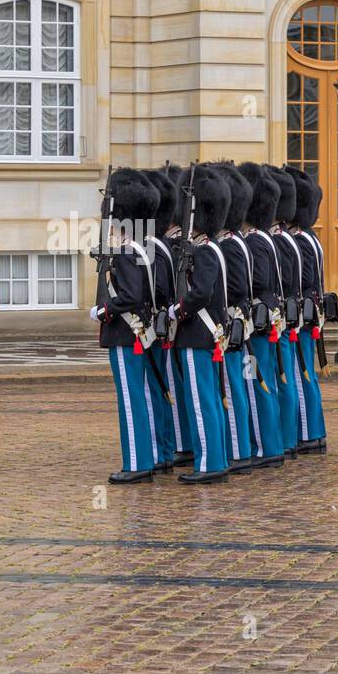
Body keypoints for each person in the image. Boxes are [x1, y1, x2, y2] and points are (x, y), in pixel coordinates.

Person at [91, 168, 162, 484]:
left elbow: (131, 296)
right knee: (140, 396)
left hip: (125, 333)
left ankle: (137, 463)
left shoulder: (125, 253)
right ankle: (145, 458)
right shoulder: (143, 249)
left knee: (131, 401)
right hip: (139, 333)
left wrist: (102, 311)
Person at [167, 165, 231, 485]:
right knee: (209, 399)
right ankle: (215, 458)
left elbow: (202, 293)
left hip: (197, 333)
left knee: (200, 400)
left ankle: (208, 464)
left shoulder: (205, 251)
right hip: (209, 334)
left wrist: (178, 309)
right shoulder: (212, 248)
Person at [208, 162, 256, 475]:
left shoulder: (231, 245)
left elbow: (237, 285)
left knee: (233, 386)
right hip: (237, 320)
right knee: (237, 384)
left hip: (233, 320)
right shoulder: (236, 241)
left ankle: (239, 449)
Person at [238, 163, 286, 470]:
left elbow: (256, 280)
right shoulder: (264, 237)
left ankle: (264, 447)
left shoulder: (255, 239)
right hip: (266, 316)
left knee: (257, 382)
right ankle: (273, 444)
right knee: (265, 380)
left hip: (257, 321)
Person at [285, 166, 330, 455]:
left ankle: (310, 432)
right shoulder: (308, 236)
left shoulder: (301, 239)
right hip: (307, 312)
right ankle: (313, 430)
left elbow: (302, 279)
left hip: (301, 314)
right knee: (305, 373)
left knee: (302, 374)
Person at [141, 167, 182, 473]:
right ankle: (166, 448)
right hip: (164, 325)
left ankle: (162, 449)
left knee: (156, 389)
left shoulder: (153, 247)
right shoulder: (161, 245)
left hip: (154, 328)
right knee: (162, 388)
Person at [162, 163, 196, 469]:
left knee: (180, 386)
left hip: (182, 322)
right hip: (181, 321)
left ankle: (185, 442)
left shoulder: (180, 246)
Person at [267, 165, 302, 460]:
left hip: (279, 315)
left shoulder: (279, 241)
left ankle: (288, 437)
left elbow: (287, 280)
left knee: (283, 377)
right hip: (286, 312)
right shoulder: (287, 239)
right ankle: (290, 437)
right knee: (286, 377)